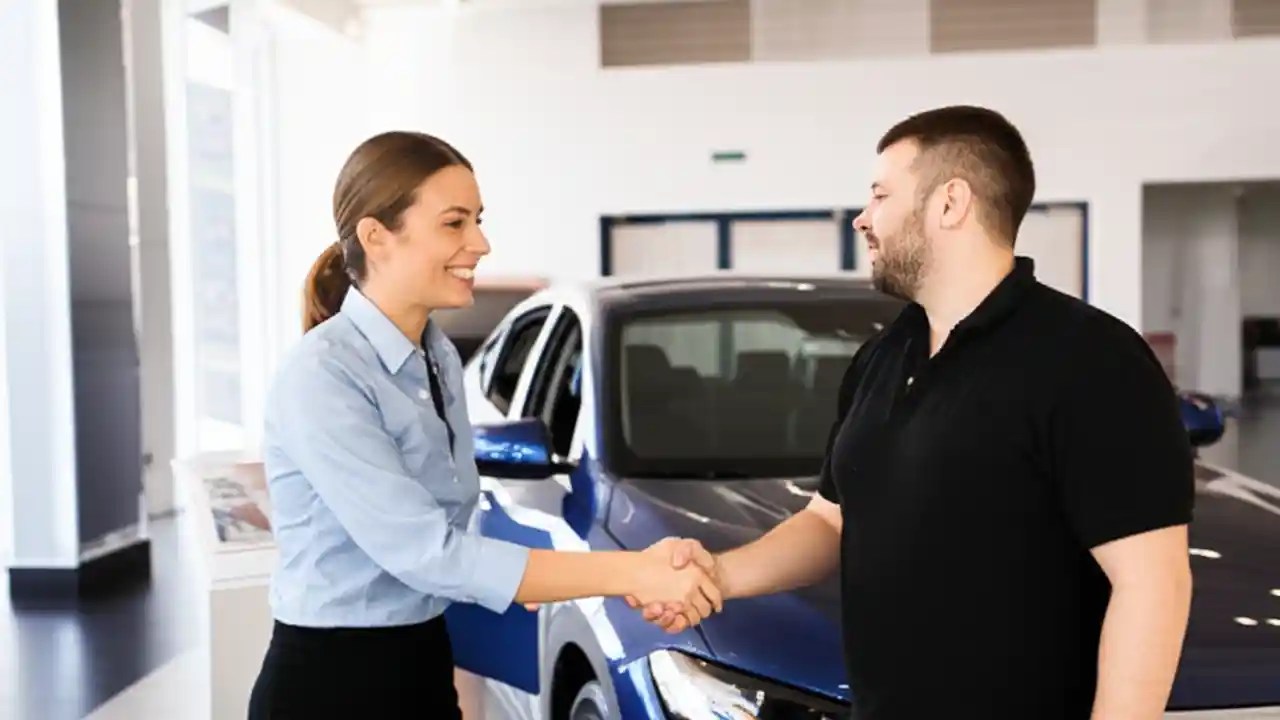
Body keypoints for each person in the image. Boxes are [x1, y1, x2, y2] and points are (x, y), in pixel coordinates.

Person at [637, 106, 1195, 719]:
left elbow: (1152, 585)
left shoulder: (1087, 359)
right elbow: (830, 522)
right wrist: (718, 574)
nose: (862, 218)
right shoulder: (884, 354)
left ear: (950, 203)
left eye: (880, 195)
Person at [246, 130, 722, 719]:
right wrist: (636, 571)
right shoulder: (323, 376)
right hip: (332, 681)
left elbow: (459, 528)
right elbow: (429, 553)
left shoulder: (435, 355)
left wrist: (558, 575)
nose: (481, 242)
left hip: (418, 658)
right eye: (455, 223)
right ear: (377, 237)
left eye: (478, 219)